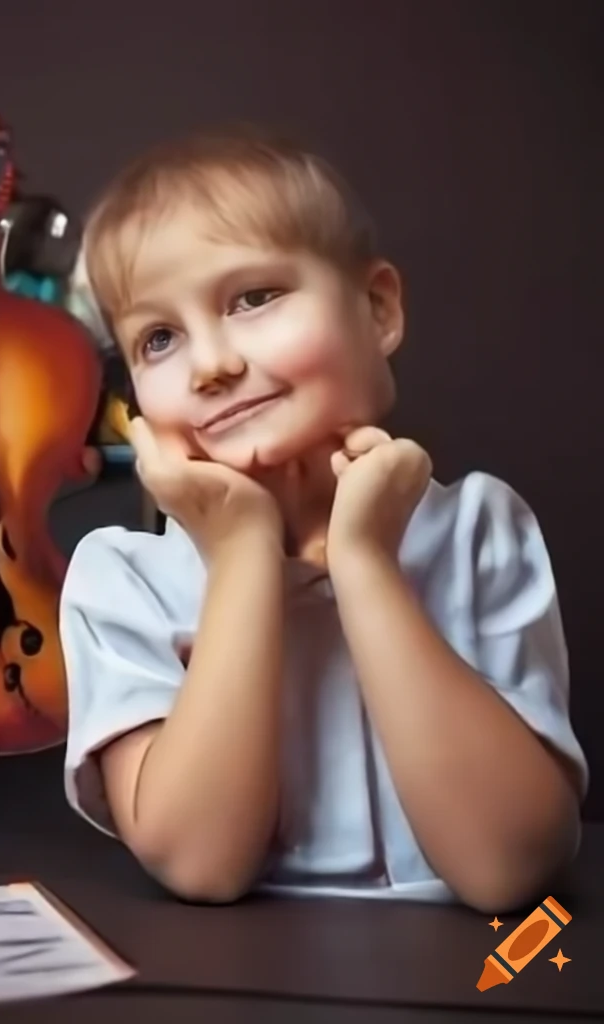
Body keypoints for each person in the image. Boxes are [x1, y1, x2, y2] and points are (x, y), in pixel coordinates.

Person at [59, 124, 588, 912]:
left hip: (469, 967)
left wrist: (367, 564)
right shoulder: (122, 582)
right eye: (159, 338)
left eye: (254, 298)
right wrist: (242, 557)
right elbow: (201, 866)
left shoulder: (480, 529)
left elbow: (508, 869)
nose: (212, 365)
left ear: (378, 309)